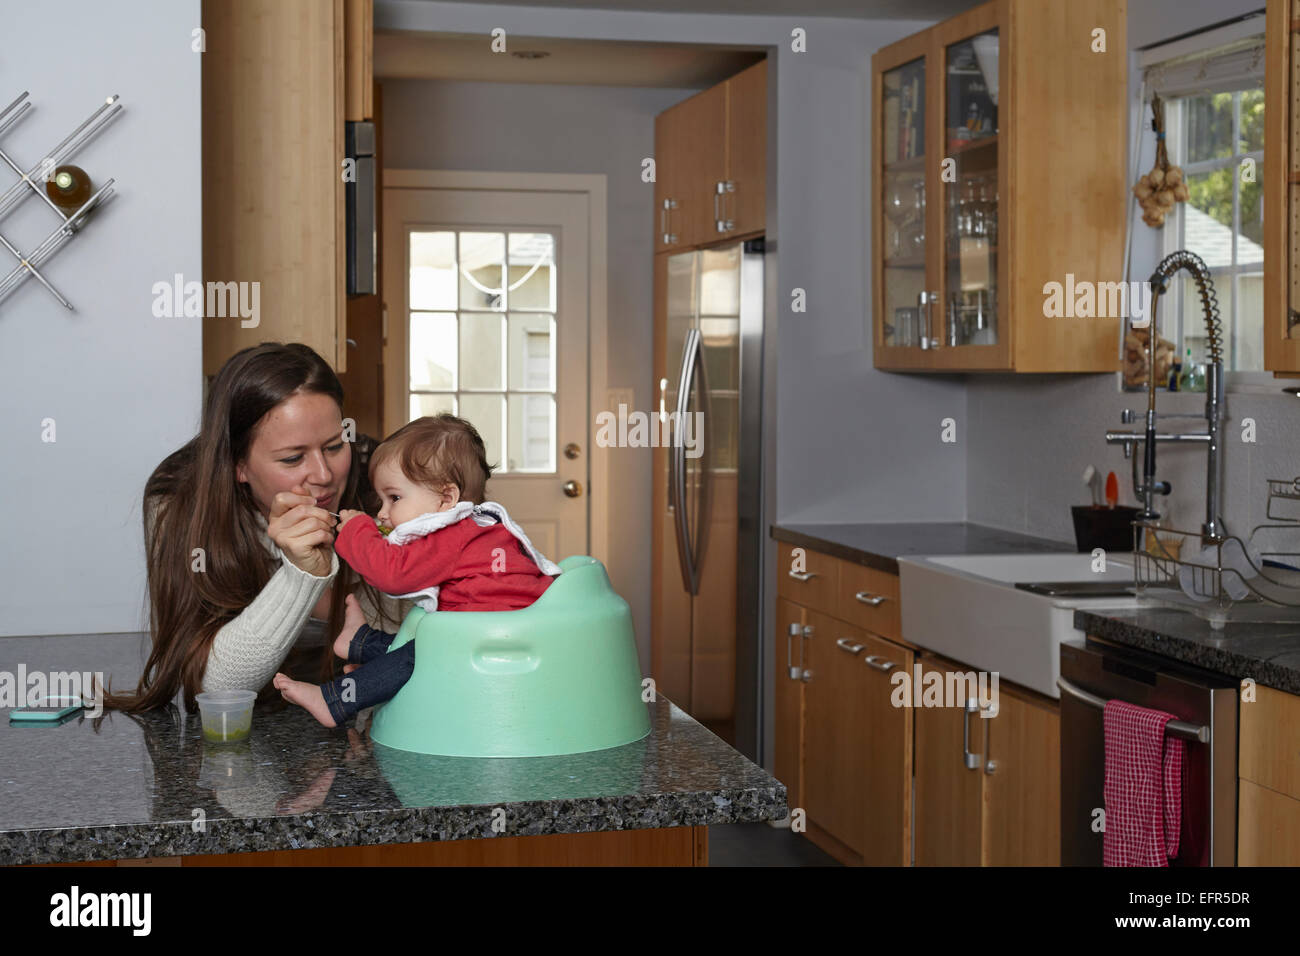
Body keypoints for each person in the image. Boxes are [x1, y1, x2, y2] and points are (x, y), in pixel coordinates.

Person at [99, 342, 409, 717]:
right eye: (293, 458)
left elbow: (415, 645)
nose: (325, 476)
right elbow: (214, 689)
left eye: (333, 446)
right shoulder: (178, 497)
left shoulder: (384, 486)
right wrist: (301, 575)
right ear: (238, 465)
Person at [272, 415, 561, 727]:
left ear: (446, 499)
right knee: (417, 648)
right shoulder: (474, 530)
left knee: (417, 660)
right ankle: (360, 641)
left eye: (394, 498)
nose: (382, 512)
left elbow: (391, 574)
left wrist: (358, 529)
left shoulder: (452, 534)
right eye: (381, 500)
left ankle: (335, 700)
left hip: (491, 640)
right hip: (486, 634)